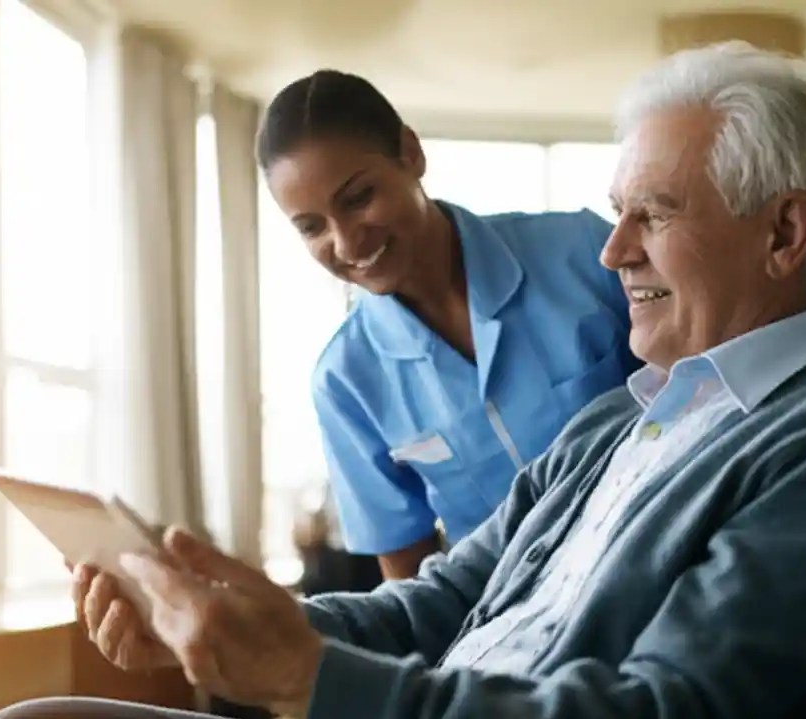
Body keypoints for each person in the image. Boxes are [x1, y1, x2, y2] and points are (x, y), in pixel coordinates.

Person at [0, 42, 806, 719]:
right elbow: (437, 597)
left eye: (650, 216)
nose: (612, 249)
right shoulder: (612, 426)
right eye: (615, 213)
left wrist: (313, 681)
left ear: (783, 233)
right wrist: (243, 627)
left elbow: (674, 707)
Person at [262, 70, 640, 578]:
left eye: (358, 199)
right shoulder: (345, 381)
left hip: (658, 573)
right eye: (312, 227)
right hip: (515, 631)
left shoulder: (585, 252)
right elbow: (407, 574)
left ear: (411, 154)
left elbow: (706, 403)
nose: (347, 244)